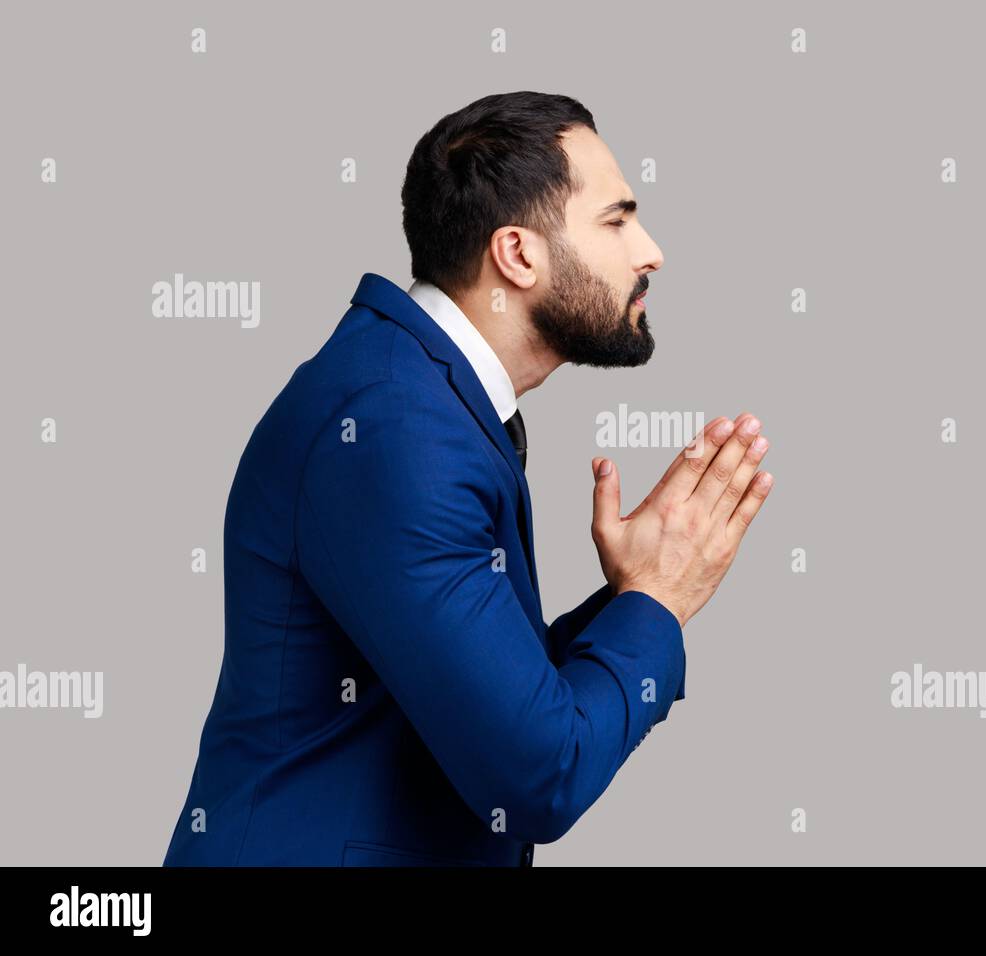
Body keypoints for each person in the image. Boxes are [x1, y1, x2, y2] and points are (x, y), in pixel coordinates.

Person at [163, 91, 774, 867]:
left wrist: (632, 597)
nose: (649, 251)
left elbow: (475, 694)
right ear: (517, 255)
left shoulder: (418, 397)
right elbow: (538, 772)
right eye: (616, 222)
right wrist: (658, 602)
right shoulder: (397, 429)